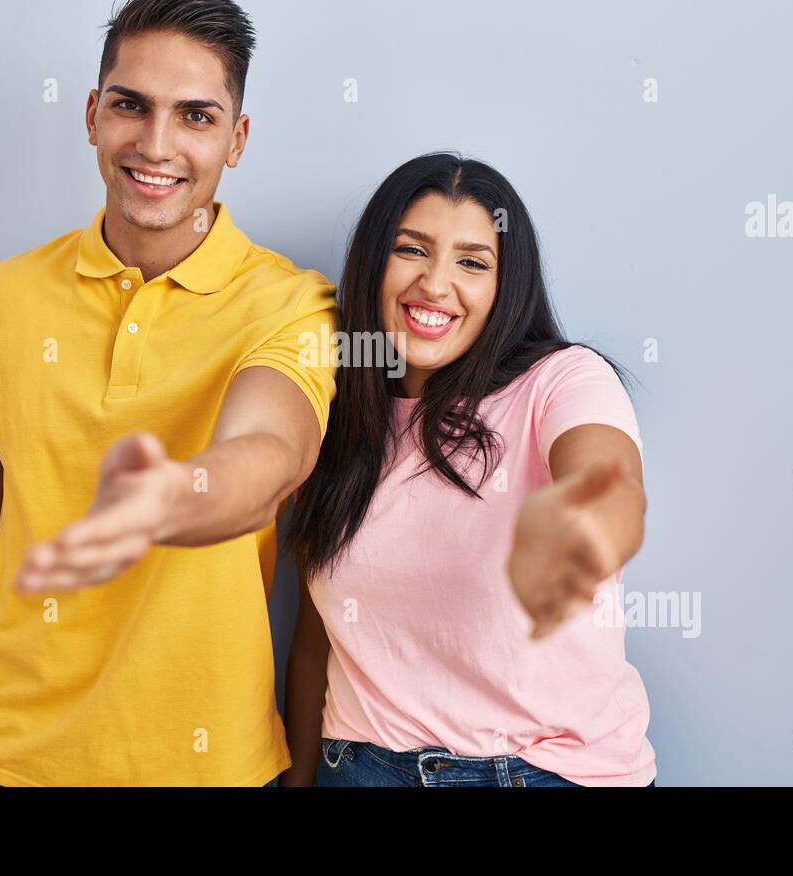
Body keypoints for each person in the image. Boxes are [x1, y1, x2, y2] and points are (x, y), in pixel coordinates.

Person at [0, 0, 339, 787]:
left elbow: (268, 452)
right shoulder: (5, 294)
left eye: (196, 116)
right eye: (132, 105)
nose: (157, 144)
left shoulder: (291, 302)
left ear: (236, 140)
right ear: (94, 114)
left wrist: (171, 495)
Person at [279, 152, 657, 787]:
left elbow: (606, 477)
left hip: (545, 773)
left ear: (506, 287)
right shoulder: (337, 410)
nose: (434, 284)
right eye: (411, 250)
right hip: (362, 769)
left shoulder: (562, 381)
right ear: (374, 263)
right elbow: (319, 638)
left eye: (472, 262)